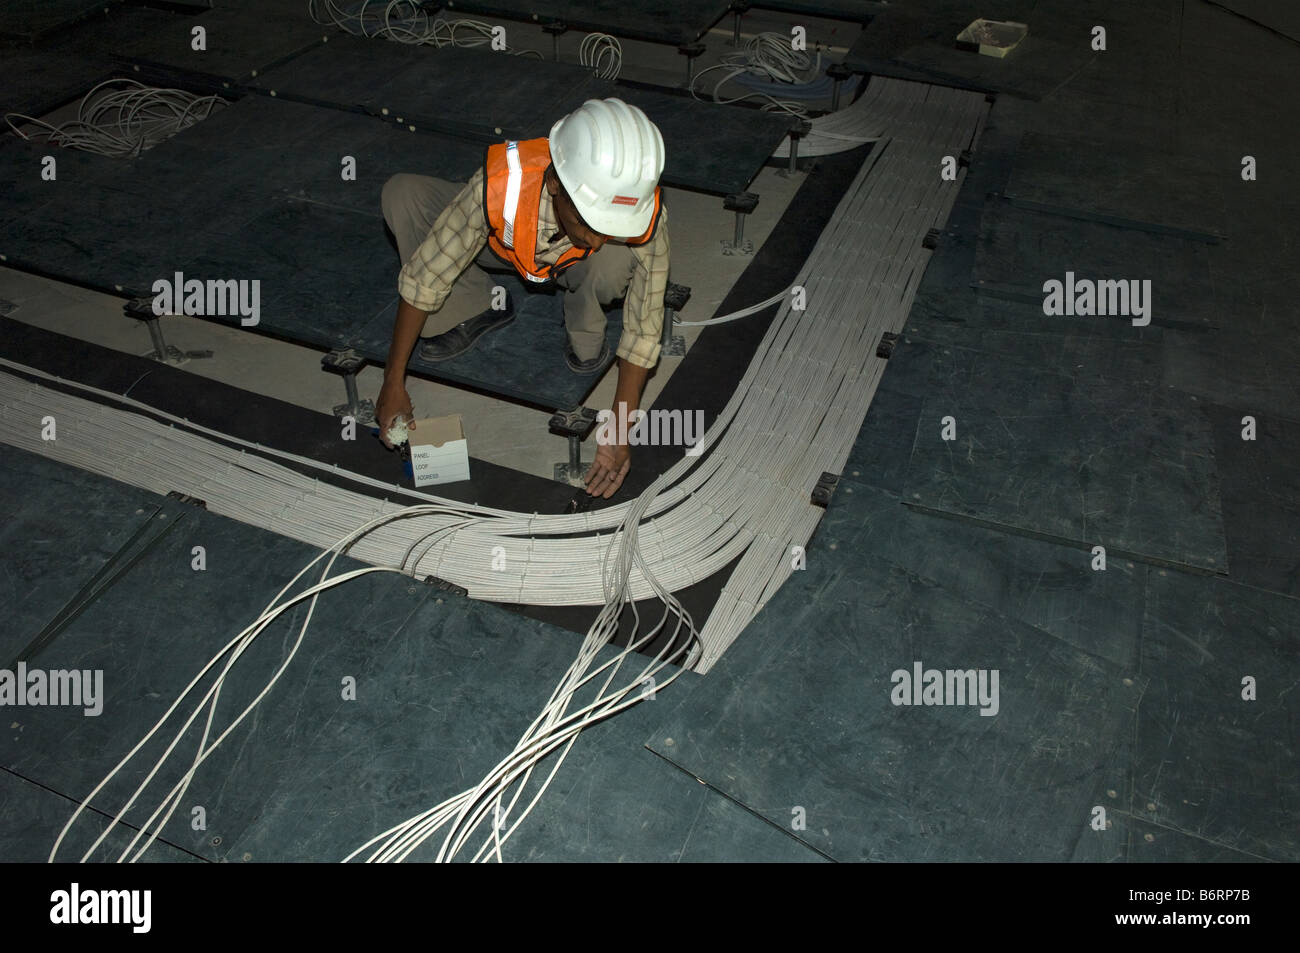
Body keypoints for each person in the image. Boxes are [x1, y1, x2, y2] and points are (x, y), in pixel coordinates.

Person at [377, 97, 670, 499]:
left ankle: (583, 324)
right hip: (504, 244)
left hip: (577, 269)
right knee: (402, 194)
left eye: (611, 226)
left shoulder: (640, 207)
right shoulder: (503, 184)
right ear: (554, 184)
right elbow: (426, 274)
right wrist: (393, 380)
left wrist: (619, 429)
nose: (600, 237)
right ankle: (474, 305)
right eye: (591, 221)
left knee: (611, 261)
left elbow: (644, 325)